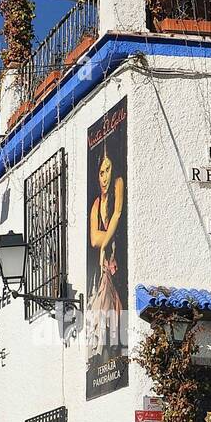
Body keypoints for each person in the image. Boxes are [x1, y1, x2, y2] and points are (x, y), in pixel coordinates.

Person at [87, 146, 125, 356]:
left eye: (107, 170)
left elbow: (118, 214)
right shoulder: (96, 204)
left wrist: (105, 244)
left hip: (117, 262)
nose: (104, 177)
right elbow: (94, 239)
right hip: (105, 265)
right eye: (101, 172)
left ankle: (112, 344)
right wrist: (105, 245)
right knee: (103, 305)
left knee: (113, 306)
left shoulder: (119, 183)